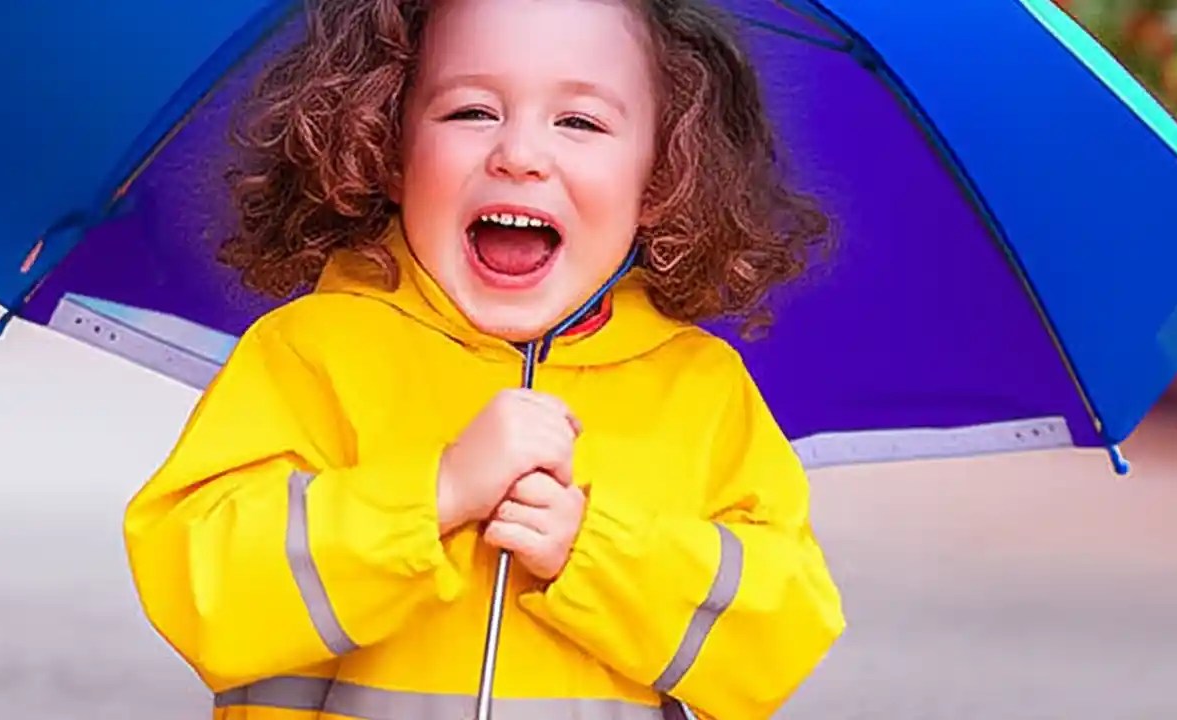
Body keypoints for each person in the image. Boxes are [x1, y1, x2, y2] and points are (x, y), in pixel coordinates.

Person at [123, 0, 846, 718]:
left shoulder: (701, 391)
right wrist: (433, 494)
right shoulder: (312, 353)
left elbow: (780, 634)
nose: (520, 155)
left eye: (580, 122)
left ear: (662, 177)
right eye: (471, 112)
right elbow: (199, 589)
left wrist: (593, 549)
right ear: (388, 147)